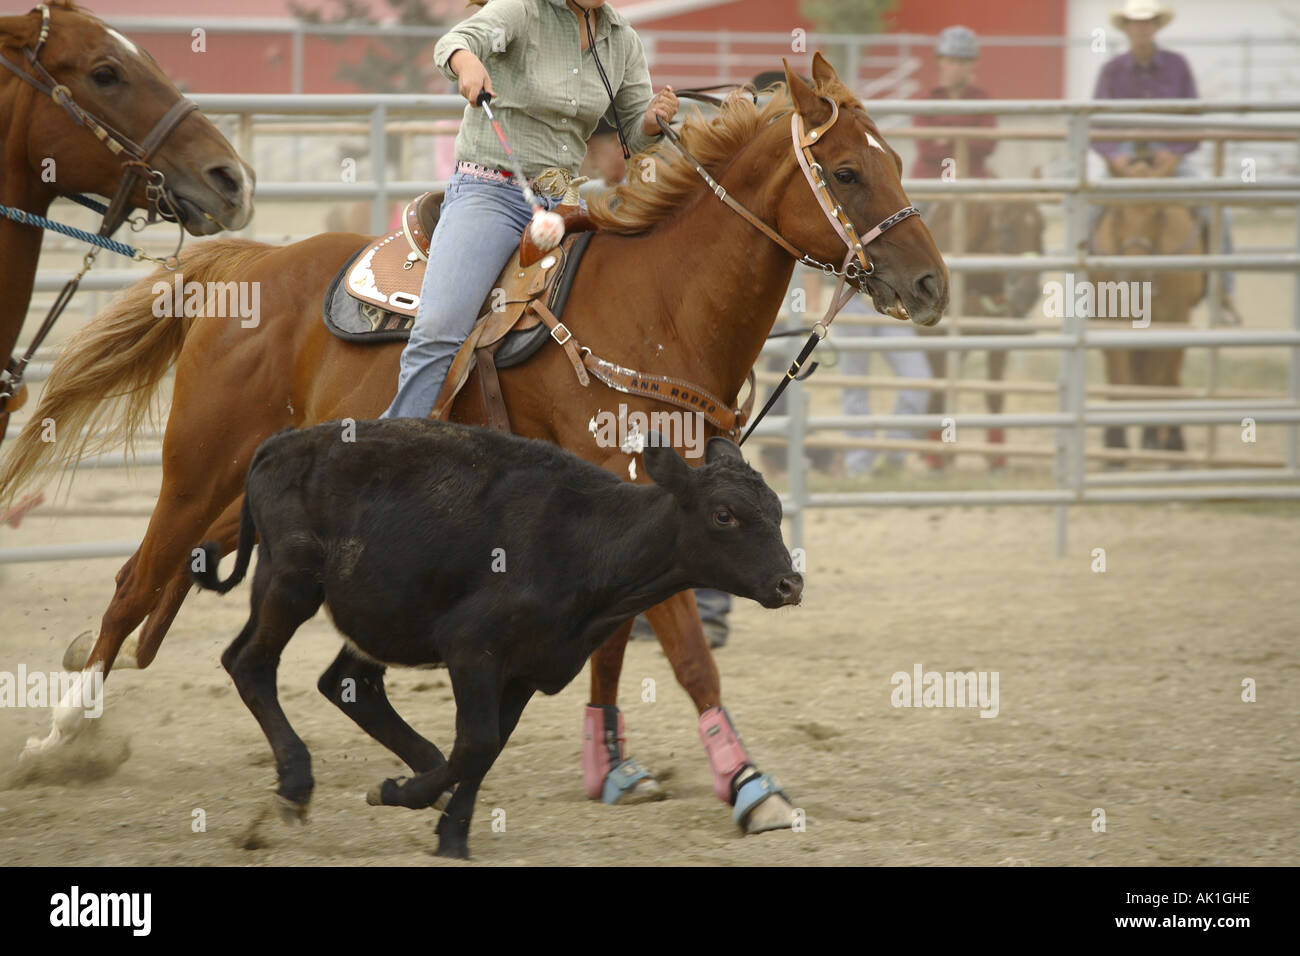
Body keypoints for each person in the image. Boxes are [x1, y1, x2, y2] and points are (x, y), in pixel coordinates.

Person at [380, 0, 678, 422]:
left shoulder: (622, 40)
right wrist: (466, 64)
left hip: (567, 198)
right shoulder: (521, 10)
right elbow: (455, 42)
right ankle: (396, 442)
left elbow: (631, 129)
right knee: (440, 331)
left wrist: (649, 119)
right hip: (490, 191)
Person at [1091, 0, 1240, 320]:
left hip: (1170, 160)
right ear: (1126, 28)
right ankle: (1080, 294)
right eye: (1135, 22)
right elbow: (1097, 127)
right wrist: (1116, 158)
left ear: (1156, 26)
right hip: (1125, 161)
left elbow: (1194, 120)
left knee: (1218, 211)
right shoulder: (1112, 70)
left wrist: (1173, 154)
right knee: (1084, 209)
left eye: (1147, 22)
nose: (1141, 28)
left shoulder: (1177, 66)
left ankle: (1221, 291)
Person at [912, 25, 1001, 469]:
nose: (957, 67)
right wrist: (957, 141)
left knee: (1011, 218)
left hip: (977, 183)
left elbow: (990, 141)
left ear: (971, 65)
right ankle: (910, 284)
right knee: (908, 229)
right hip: (934, 184)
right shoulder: (928, 100)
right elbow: (927, 146)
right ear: (940, 62)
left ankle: (1007, 285)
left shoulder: (982, 98)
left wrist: (954, 141)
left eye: (964, 61)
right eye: (950, 59)